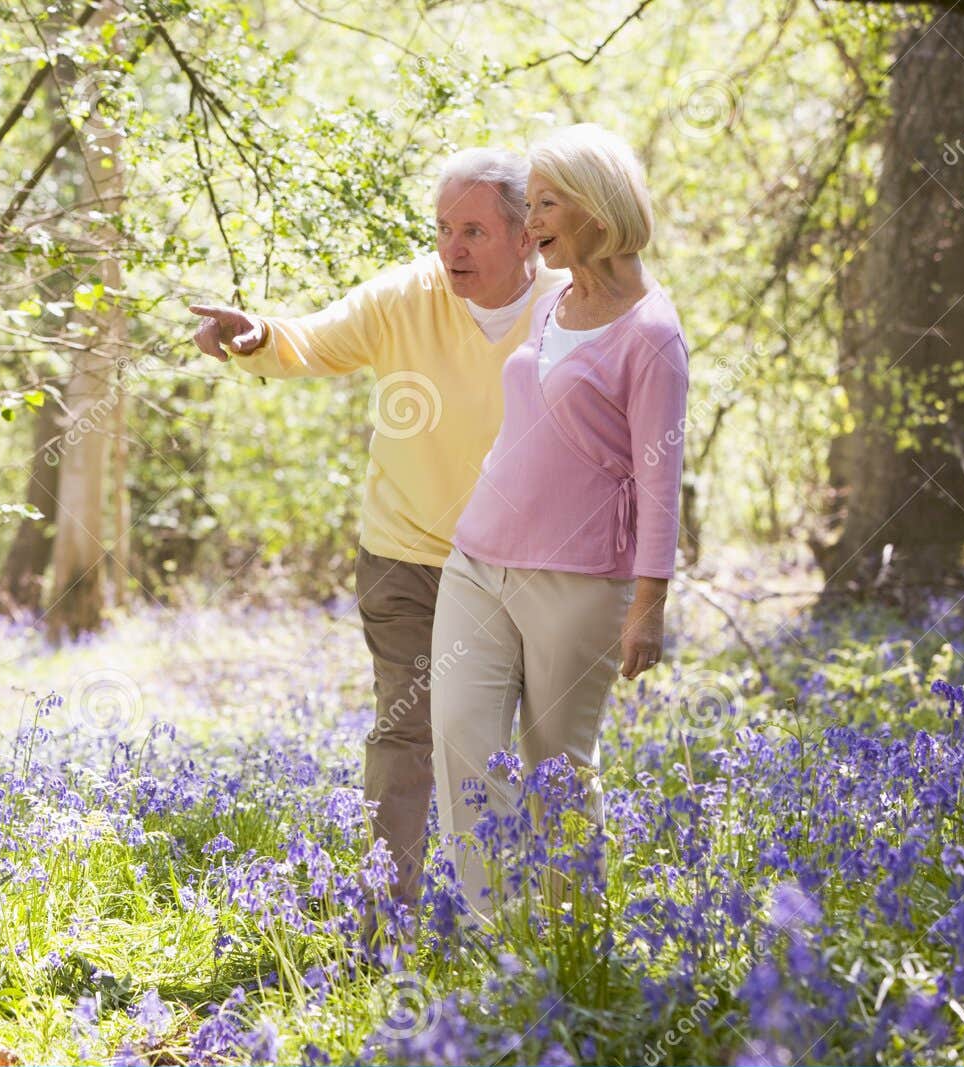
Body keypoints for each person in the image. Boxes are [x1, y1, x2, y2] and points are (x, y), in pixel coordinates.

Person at [190, 149, 568, 942]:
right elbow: (315, 340)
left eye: (472, 230)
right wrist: (258, 336)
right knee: (407, 730)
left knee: (524, 736)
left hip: (527, 562)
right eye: (442, 229)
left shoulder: (569, 306)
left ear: (526, 235)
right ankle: (385, 922)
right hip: (409, 554)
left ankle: (523, 924)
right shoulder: (407, 296)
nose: (452, 249)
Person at [429, 124, 690, 929]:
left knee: (557, 772)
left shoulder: (652, 335)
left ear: (597, 206)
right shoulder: (556, 299)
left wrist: (648, 603)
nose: (531, 219)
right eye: (530, 203)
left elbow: (659, 480)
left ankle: (574, 949)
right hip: (476, 562)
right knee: (462, 743)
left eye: (546, 203)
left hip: (578, 582)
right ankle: (495, 941)